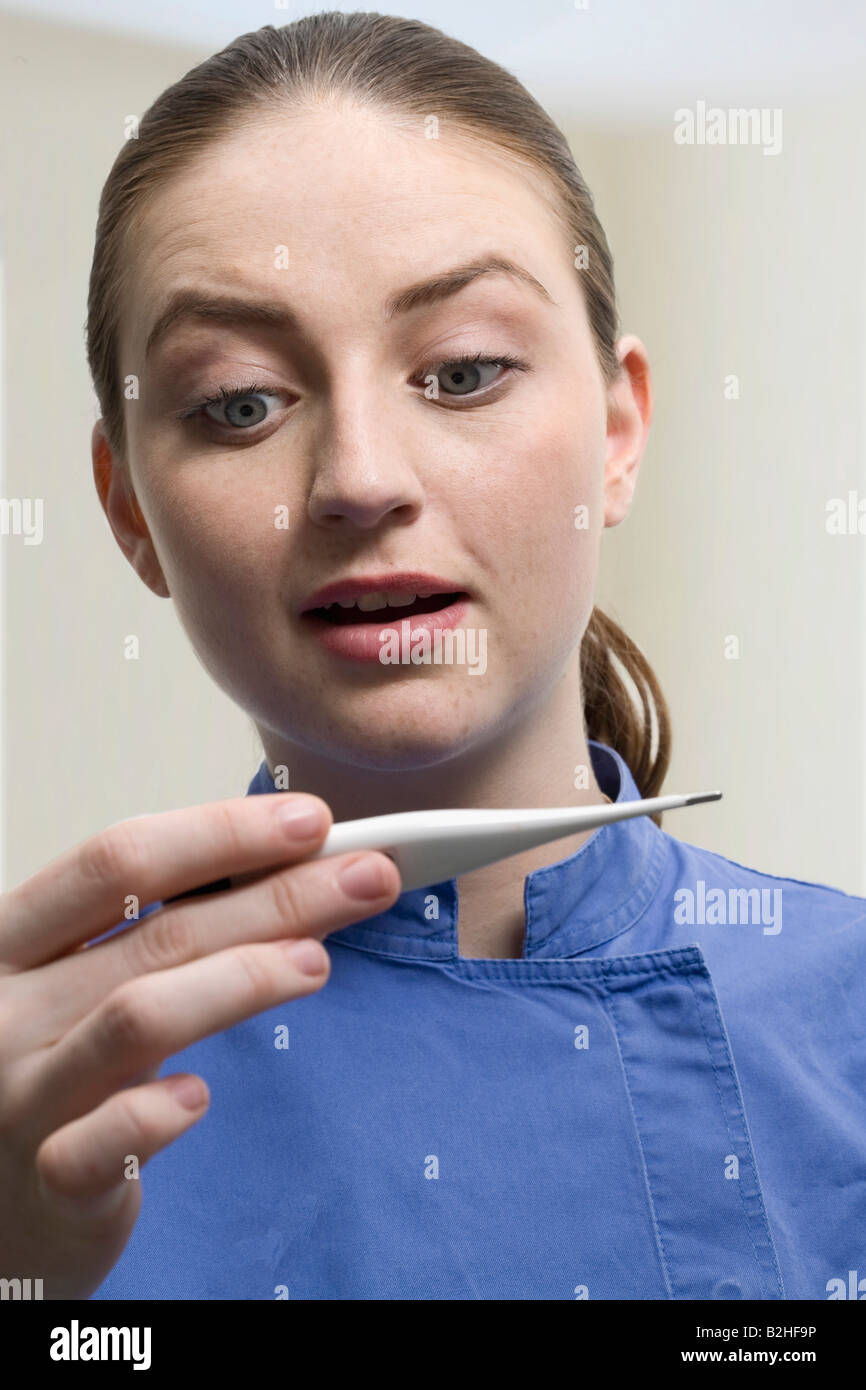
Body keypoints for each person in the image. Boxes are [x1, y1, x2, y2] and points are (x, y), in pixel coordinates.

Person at [1, 12, 863, 1302]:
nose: (358, 478)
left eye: (462, 371)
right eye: (241, 402)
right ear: (132, 511)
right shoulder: (46, 1098)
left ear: (619, 432)